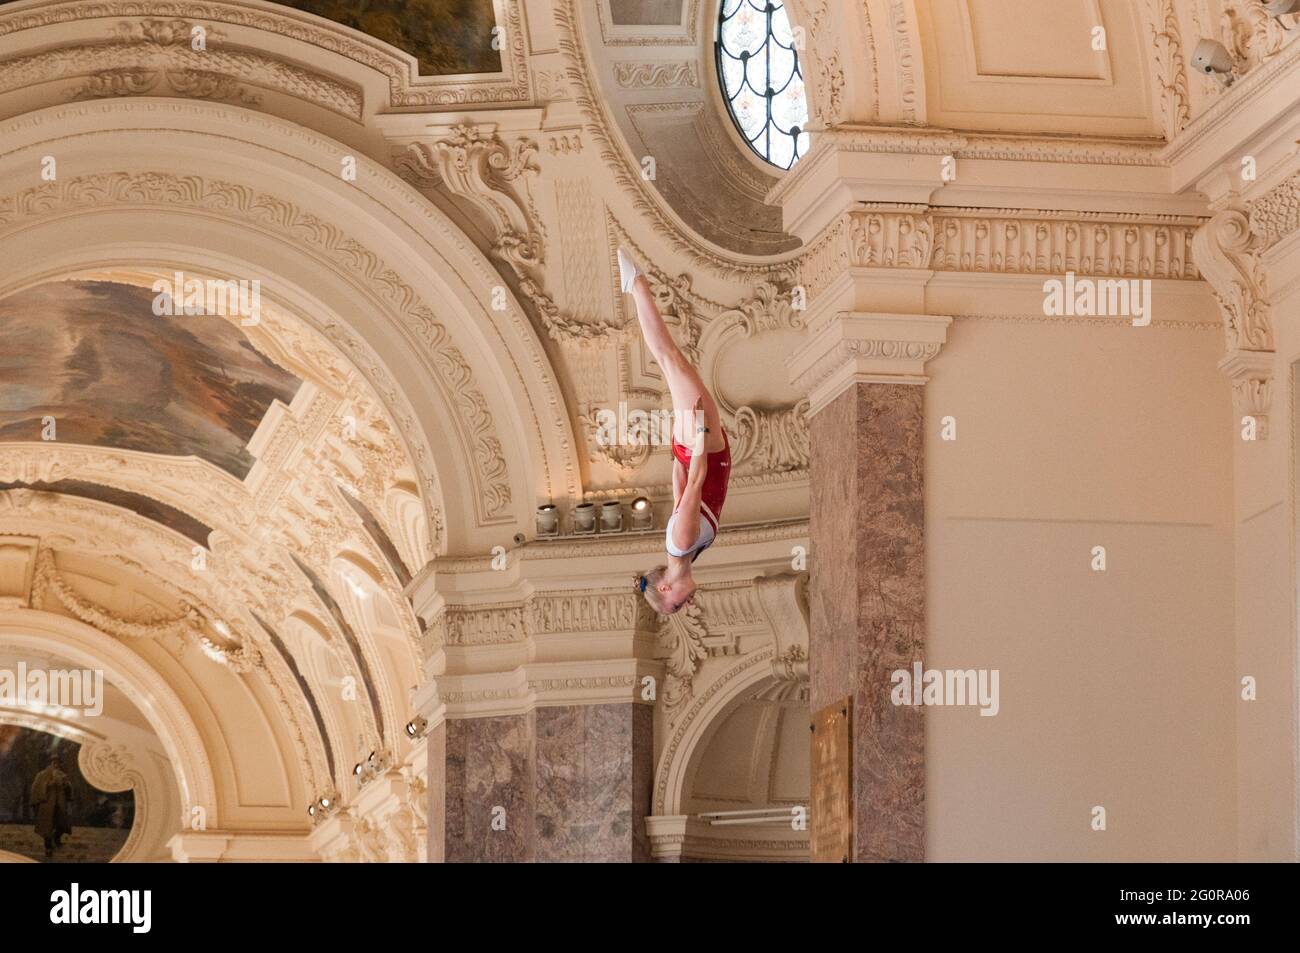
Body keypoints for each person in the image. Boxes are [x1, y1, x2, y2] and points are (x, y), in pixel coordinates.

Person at [620, 248, 732, 616]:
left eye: (678, 603)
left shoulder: (682, 543)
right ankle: (635, 283)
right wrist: (683, 449)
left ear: (666, 587)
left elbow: (695, 480)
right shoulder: (685, 550)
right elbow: (681, 484)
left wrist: (697, 433)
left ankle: (636, 283)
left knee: (670, 359)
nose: (689, 601)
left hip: (704, 448)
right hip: (696, 447)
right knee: (672, 362)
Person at [31, 754, 72, 859]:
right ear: (49, 763)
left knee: (62, 825)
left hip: (59, 805)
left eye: (57, 762)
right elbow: (37, 788)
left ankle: (56, 838)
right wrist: (49, 784)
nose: (56, 764)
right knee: (47, 828)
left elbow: (68, 790)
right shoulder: (42, 774)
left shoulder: (62, 774)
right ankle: (48, 848)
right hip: (47, 805)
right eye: (53, 762)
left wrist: (66, 784)